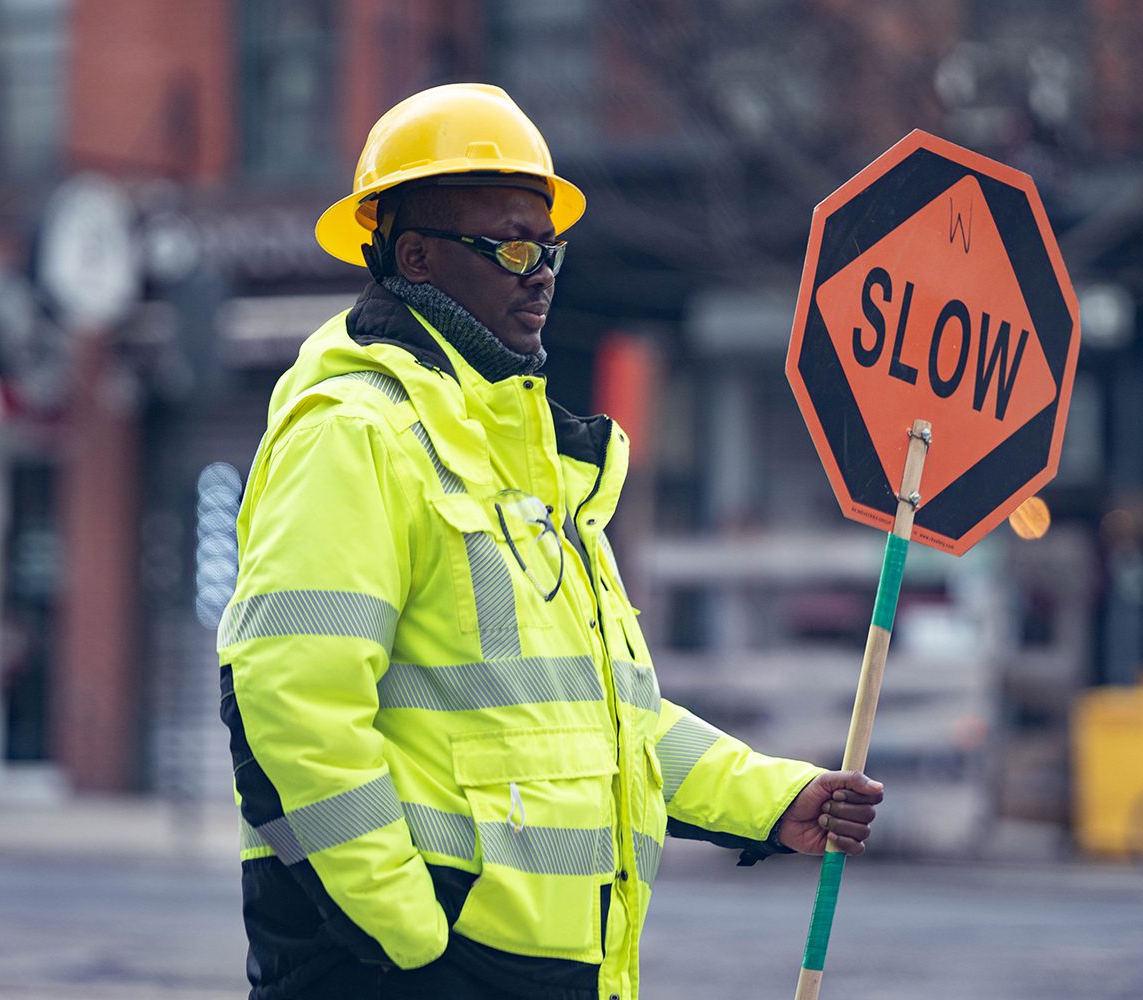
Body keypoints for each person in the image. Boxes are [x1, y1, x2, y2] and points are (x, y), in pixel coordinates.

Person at [217, 83, 883, 1000]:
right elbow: (289, 705)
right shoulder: (356, 432)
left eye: (550, 248)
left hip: (548, 972)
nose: (540, 272)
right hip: (414, 974)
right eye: (512, 245)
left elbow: (602, 721)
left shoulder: (528, 461)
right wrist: (406, 935)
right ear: (414, 256)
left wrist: (774, 800)